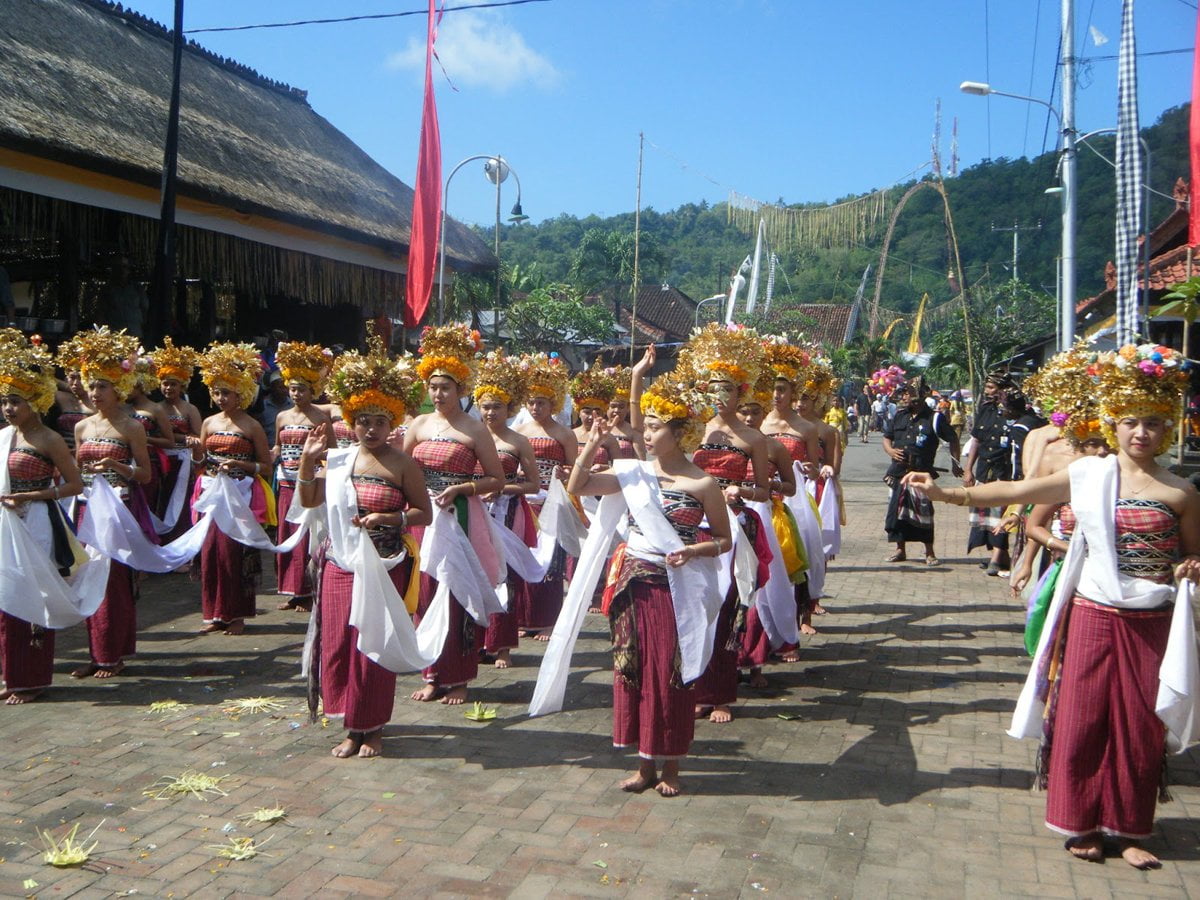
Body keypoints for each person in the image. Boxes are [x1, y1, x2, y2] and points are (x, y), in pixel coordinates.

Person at [905, 342, 1200, 869]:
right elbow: (1017, 490)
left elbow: (1193, 553)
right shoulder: (1088, 474)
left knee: (1139, 725)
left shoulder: (1181, 492)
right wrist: (946, 494)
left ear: (1168, 428)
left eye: (1153, 422)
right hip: (1091, 613)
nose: (1141, 432)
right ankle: (1079, 821)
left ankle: (1129, 827)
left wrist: (1190, 566)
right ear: (1113, 424)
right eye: (1131, 421)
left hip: (1152, 620)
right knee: (1081, 718)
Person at [566, 365, 730, 797]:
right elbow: (578, 486)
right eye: (649, 426)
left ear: (680, 433)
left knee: (671, 673)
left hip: (679, 590)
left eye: (656, 428)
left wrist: (693, 551)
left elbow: (724, 541)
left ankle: (672, 765)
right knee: (633, 671)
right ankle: (643, 765)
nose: (648, 434)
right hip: (634, 587)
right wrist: (594, 444)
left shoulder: (703, 484)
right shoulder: (634, 474)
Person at [297, 339, 431, 759]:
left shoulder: (402, 463)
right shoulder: (339, 462)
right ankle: (350, 725)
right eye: (363, 421)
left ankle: (371, 728)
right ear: (351, 422)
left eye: (379, 422)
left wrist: (388, 518)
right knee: (339, 643)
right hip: (340, 562)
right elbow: (309, 500)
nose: (371, 430)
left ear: (392, 423)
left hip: (385, 564)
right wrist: (308, 461)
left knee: (373, 644)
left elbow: (423, 513)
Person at [668, 325, 770, 725]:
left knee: (727, 607)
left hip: (733, 528)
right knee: (694, 604)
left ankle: (722, 693)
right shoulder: (695, 430)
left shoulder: (753, 438)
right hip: (694, 526)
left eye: (727, 389)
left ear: (740, 392)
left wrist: (740, 490)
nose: (719, 396)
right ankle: (695, 688)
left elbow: (765, 490)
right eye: (713, 389)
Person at [404, 323, 505, 705]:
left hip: (460, 517)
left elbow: (496, 479)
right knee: (426, 593)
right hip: (423, 519)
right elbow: (402, 468)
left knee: (457, 593)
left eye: (445, 387)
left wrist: (462, 488)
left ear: (461, 389)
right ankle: (432, 674)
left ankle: (460, 676)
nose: (438, 394)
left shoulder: (475, 429)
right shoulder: (419, 424)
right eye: (432, 387)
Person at [0, 331, 84, 702]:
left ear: (35, 401)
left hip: (36, 523)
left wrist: (31, 496)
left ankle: (32, 679)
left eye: (15, 401)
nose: (8, 408)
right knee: (7, 597)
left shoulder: (49, 439)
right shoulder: (4, 437)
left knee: (34, 597)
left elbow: (74, 485)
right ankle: (12, 675)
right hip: (7, 523)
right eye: (4, 401)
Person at [72, 327, 152, 678]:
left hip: (118, 510)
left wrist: (117, 466)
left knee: (114, 580)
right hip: (86, 508)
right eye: (91, 386)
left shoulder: (132, 427)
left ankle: (113, 653)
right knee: (88, 576)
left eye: (102, 386)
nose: (95, 393)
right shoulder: (82, 427)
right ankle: (96, 652)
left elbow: (145, 475)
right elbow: (77, 470)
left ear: (118, 387)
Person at [193, 343, 272, 635]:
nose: (221, 398)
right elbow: (201, 463)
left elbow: (266, 467)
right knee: (210, 552)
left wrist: (240, 465)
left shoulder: (251, 426)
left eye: (227, 393)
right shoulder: (209, 423)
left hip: (240, 495)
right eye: (217, 392)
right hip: (212, 493)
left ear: (242, 394)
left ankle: (237, 614)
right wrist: (196, 453)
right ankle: (214, 613)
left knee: (233, 552)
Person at [474, 352, 539, 669]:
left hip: (508, 514)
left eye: (497, 406)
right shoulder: (470, 435)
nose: (490, 412)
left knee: (506, 576)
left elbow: (533, 484)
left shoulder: (518, 441)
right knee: (476, 572)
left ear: (509, 408)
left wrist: (501, 489)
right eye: (485, 406)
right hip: (475, 511)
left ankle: (502, 646)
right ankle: (476, 641)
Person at [513, 353, 576, 640]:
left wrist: (564, 474)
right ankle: (524, 617)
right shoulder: (519, 431)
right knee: (523, 556)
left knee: (552, 561)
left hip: (552, 502)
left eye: (541, 403)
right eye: (531, 402)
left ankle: (550, 620)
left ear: (554, 404)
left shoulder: (564, 434)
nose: (535, 408)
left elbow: (575, 471)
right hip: (524, 500)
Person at [761, 338, 821, 639]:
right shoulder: (759, 423)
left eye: (783, 389)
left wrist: (810, 469)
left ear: (793, 392)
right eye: (773, 389)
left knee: (802, 552)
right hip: (764, 497)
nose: (777, 395)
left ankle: (804, 614)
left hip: (795, 498)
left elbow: (814, 468)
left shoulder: (806, 428)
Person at [272, 342, 334, 613]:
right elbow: (278, 446)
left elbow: (331, 452)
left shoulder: (320, 417)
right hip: (285, 482)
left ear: (313, 391)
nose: (296, 394)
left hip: (308, 484)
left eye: (302, 389)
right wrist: (271, 454)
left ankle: (307, 591)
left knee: (308, 537)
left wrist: (313, 465)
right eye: (293, 389)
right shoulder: (282, 417)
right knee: (286, 534)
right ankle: (291, 591)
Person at [882, 377, 961, 566]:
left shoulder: (934, 418)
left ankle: (929, 552)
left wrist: (955, 463)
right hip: (898, 473)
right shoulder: (899, 416)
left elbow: (953, 439)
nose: (905, 397)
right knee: (896, 513)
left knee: (924, 512)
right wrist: (891, 451)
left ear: (919, 396)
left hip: (921, 474)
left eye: (908, 394)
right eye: (904, 394)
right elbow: (887, 437)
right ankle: (900, 550)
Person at [964, 371, 1016, 575]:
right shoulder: (986, 409)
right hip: (984, 471)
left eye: (991, 388)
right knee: (985, 517)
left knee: (1000, 516)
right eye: (986, 387)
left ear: (1003, 390)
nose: (987, 391)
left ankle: (996, 558)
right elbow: (976, 440)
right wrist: (968, 469)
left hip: (1004, 473)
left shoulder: (1015, 411)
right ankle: (1002, 556)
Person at [152, 340, 203, 544]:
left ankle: (180, 541)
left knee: (181, 501)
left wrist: (178, 439)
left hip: (182, 462)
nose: (168, 388)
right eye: (165, 383)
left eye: (173, 384)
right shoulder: (155, 408)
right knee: (160, 498)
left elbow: (199, 437)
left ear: (182, 386)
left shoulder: (189, 409)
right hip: (159, 460)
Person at [94, 257, 149, 339]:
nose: (122, 270)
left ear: (129, 270)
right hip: (114, 332)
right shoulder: (107, 289)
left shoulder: (137, 288)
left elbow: (145, 309)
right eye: (119, 267)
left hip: (134, 332)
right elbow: (101, 311)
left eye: (125, 267)